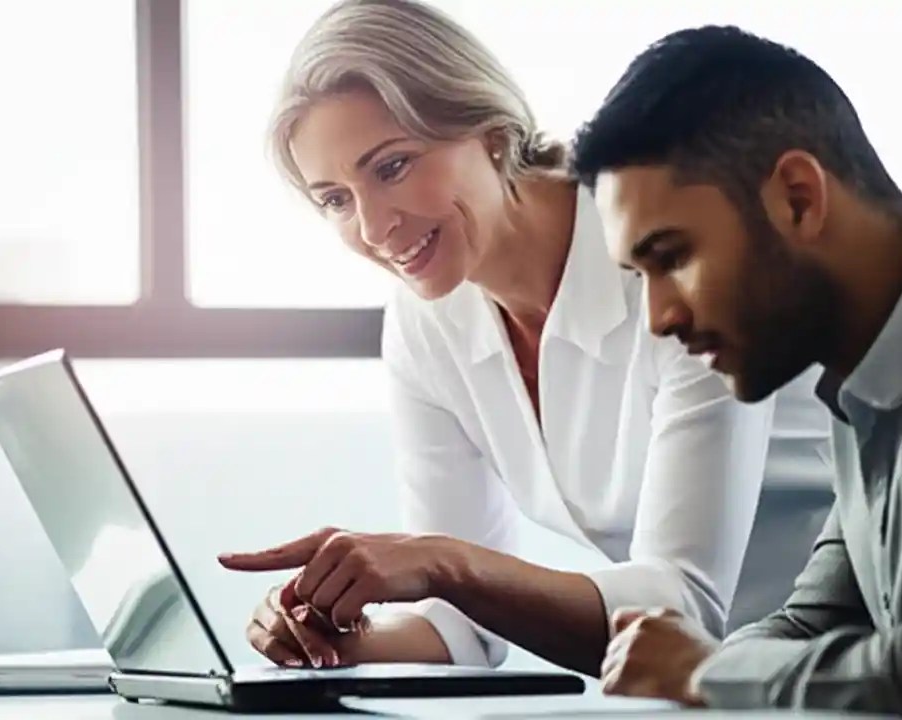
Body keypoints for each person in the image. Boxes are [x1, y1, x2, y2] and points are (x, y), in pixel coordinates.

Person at [215, 0, 831, 676]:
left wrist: (439, 562)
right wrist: (333, 636)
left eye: (392, 167)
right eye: (334, 198)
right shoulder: (428, 321)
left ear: (493, 133)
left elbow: (678, 609)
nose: (372, 227)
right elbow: (466, 631)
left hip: (840, 669)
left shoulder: (669, 261)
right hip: (694, 688)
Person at [571, 24, 902, 719]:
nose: (659, 318)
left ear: (798, 197)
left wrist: (707, 672)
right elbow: (809, 624)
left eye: (673, 257)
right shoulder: (866, 384)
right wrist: (704, 666)